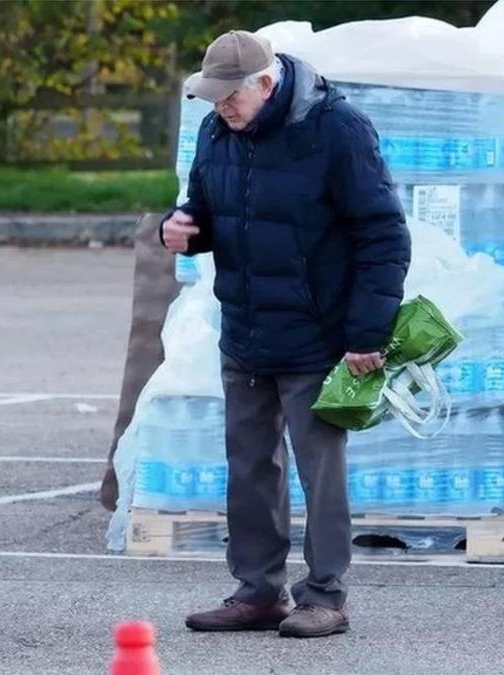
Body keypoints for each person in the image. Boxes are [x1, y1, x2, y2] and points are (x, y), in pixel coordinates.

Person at [162, 31, 411, 638]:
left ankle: (326, 594)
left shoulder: (338, 129)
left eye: (229, 97)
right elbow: (206, 210)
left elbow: (383, 236)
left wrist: (366, 333)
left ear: (266, 84)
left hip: (319, 335)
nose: (220, 107)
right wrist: (184, 231)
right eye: (213, 98)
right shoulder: (217, 131)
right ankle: (257, 591)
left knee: (319, 470)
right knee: (249, 466)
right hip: (245, 327)